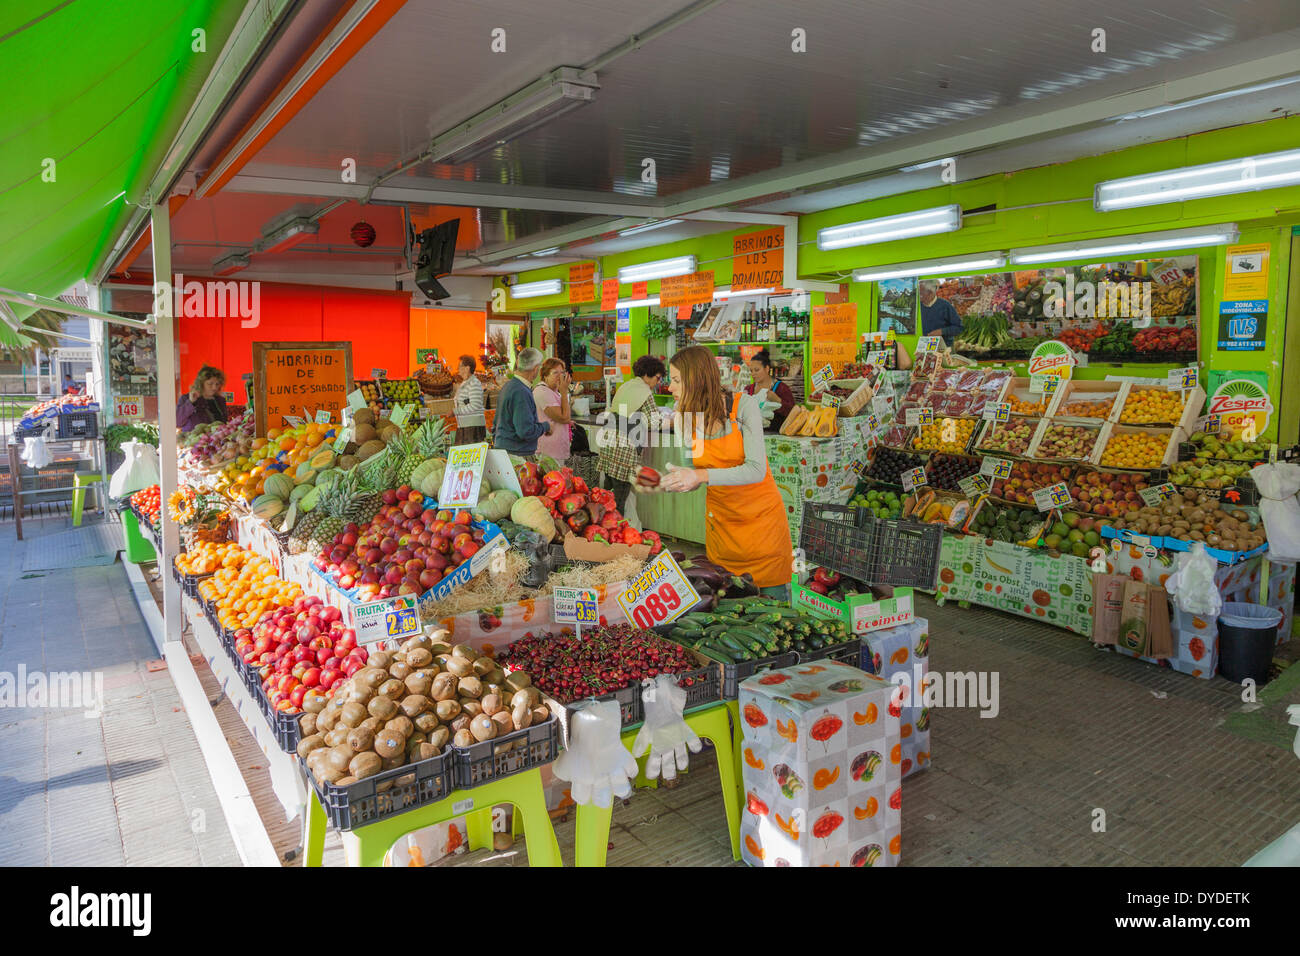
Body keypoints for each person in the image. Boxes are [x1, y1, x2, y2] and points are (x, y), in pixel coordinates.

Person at [647, 346, 792, 598]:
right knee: (726, 606)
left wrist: (700, 476)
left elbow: (756, 470)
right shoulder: (684, 417)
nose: (670, 387)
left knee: (773, 609)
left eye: (678, 380)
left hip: (762, 527)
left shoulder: (744, 407)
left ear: (698, 379)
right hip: (722, 529)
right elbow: (695, 471)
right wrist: (681, 478)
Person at [598, 355, 665, 514]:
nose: (658, 382)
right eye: (658, 378)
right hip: (624, 451)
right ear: (648, 374)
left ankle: (602, 528)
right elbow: (654, 422)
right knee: (618, 502)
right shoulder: (644, 392)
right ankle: (616, 533)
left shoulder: (626, 386)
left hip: (608, 446)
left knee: (606, 497)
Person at [492, 348, 552, 455]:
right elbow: (525, 431)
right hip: (517, 453)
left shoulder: (509, 386)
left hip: (504, 449)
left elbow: (496, 423)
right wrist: (546, 426)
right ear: (536, 369)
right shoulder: (521, 392)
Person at [745, 349, 796, 432]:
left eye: (757, 370)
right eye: (751, 371)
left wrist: (778, 400)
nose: (753, 373)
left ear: (767, 368)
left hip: (777, 437)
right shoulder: (748, 390)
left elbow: (793, 412)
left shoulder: (781, 388)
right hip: (753, 435)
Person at [533, 357, 572, 464]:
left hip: (556, 450)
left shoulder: (554, 392)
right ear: (545, 376)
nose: (560, 376)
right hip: (548, 452)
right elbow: (564, 418)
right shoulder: (542, 391)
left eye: (562, 373)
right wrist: (564, 391)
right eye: (555, 373)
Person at [177, 365, 228, 432]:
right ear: (201, 383)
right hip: (195, 441)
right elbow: (178, 422)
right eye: (210, 384)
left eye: (217, 384)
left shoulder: (220, 400)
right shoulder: (186, 398)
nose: (214, 387)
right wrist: (191, 402)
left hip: (216, 441)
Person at [453, 354, 487, 445]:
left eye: (460, 366)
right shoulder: (466, 382)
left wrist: (456, 411)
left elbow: (475, 405)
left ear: (467, 368)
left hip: (473, 429)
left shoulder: (474, 383)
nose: (457, 369)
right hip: (465, 426)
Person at [918, 279, 963, 344]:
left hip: (943, 349)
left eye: (921, 292)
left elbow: (959, 327)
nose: (919, 294)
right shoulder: (917, 307)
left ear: (930, 292)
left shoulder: (945, 305)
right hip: (922, 347)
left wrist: (942, 331)